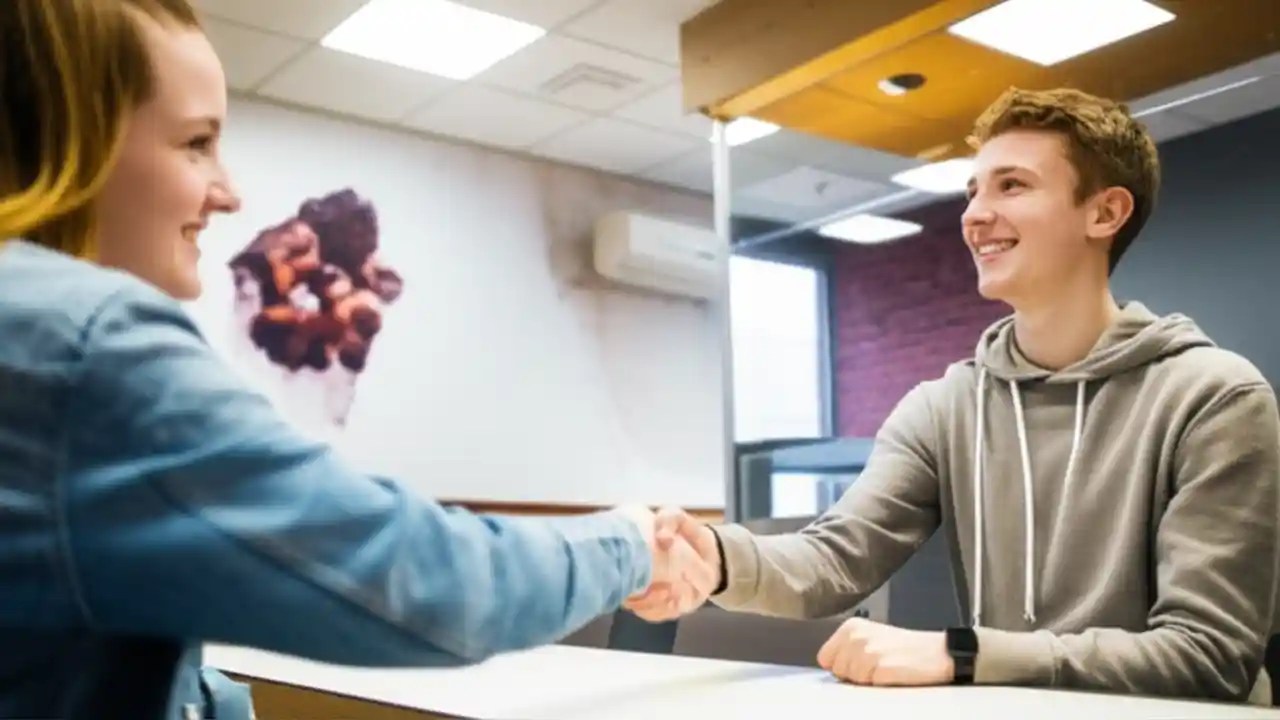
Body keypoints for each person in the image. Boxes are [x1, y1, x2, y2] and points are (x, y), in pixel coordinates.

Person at [0, 2, 714, 718]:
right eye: (195, 143)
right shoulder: (81, 347)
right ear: (61, 140)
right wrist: (628, 540)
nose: (228, 191)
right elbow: (434, 586)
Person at [629, 86, 1280, 705]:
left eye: (1012, 185)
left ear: (1104, 212)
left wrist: (964, 655)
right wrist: (713, 558)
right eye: (973, 191)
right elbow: (836, 557)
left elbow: (1209, 656)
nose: (973, 214)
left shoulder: (1216, 398)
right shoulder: (945, 406)